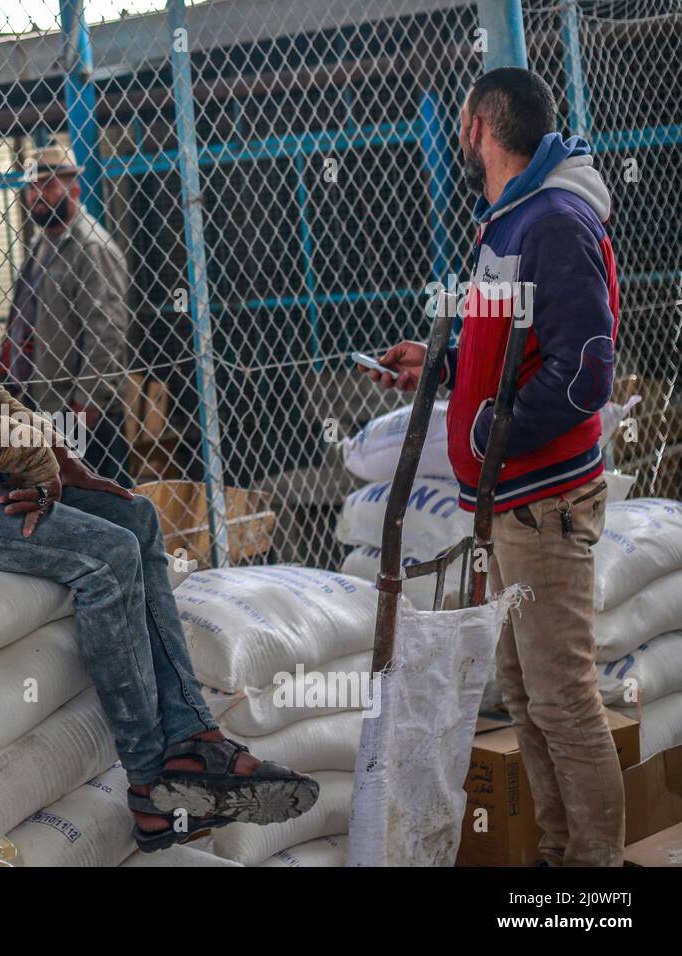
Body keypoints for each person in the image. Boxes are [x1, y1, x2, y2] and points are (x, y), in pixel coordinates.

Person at [0, 64, 318, 852]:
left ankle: (197, 745)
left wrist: (51, 456)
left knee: (134, 518)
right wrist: (27, 454)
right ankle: (152, 781)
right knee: (103, 557)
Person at [370, 68, 620, 866]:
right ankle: (556, 858)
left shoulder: (550, 221)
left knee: (564, 701)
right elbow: (516, 351)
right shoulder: (509, 220)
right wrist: (440, 369)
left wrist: (487, 427)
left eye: (463, 126)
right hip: (513, 496)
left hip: (542, 500)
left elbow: (585, 370)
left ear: (479, 125)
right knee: (525, 694)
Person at [0, 144, 133, 486]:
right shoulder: (44, 243)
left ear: (74, 188)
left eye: (49, 184)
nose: (38, 194)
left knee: (102, 506)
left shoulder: (90, 248)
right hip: (44, 405)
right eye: (32, 187)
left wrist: (84, 410)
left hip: (79, 412)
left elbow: (106, 334)